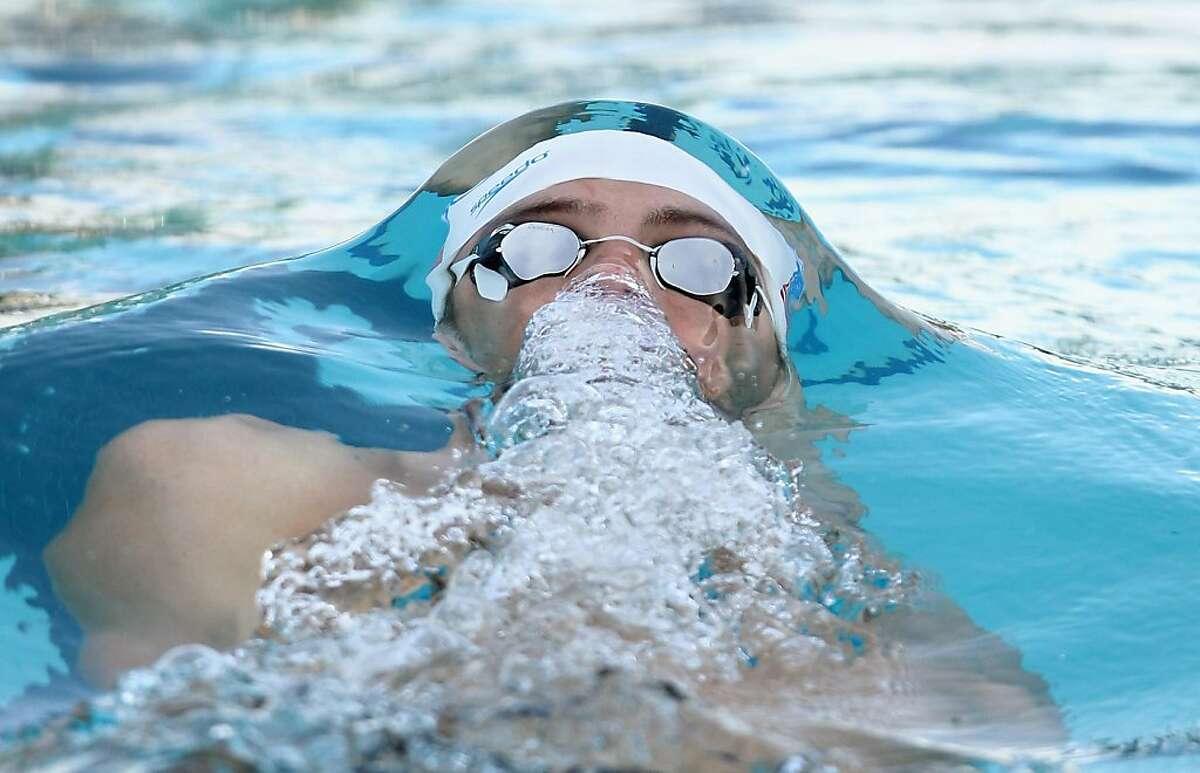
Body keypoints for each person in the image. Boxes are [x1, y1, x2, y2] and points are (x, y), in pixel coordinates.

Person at [43, 113, 1063, 761]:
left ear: (748, 357)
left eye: (698, 264)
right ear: (456, 322)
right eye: (540, 244)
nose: (609, 281)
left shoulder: (922, 651)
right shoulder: (208, 480)